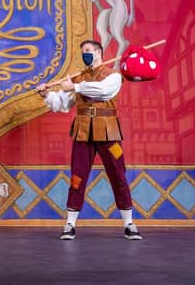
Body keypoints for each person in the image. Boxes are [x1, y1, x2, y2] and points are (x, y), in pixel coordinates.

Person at [36, 40, 143, 241]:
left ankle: (129, 224)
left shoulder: (113, 76)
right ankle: (70, 224)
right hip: (83, 132)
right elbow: (62, 104)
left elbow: (102, 91)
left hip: (109, 132)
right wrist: (47, 94)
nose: (84, 55)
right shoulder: (78, 78)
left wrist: (75, 86)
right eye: (82, 52)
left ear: (98, 52)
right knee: (77, 178)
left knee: (118, 176)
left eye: (87, 51)